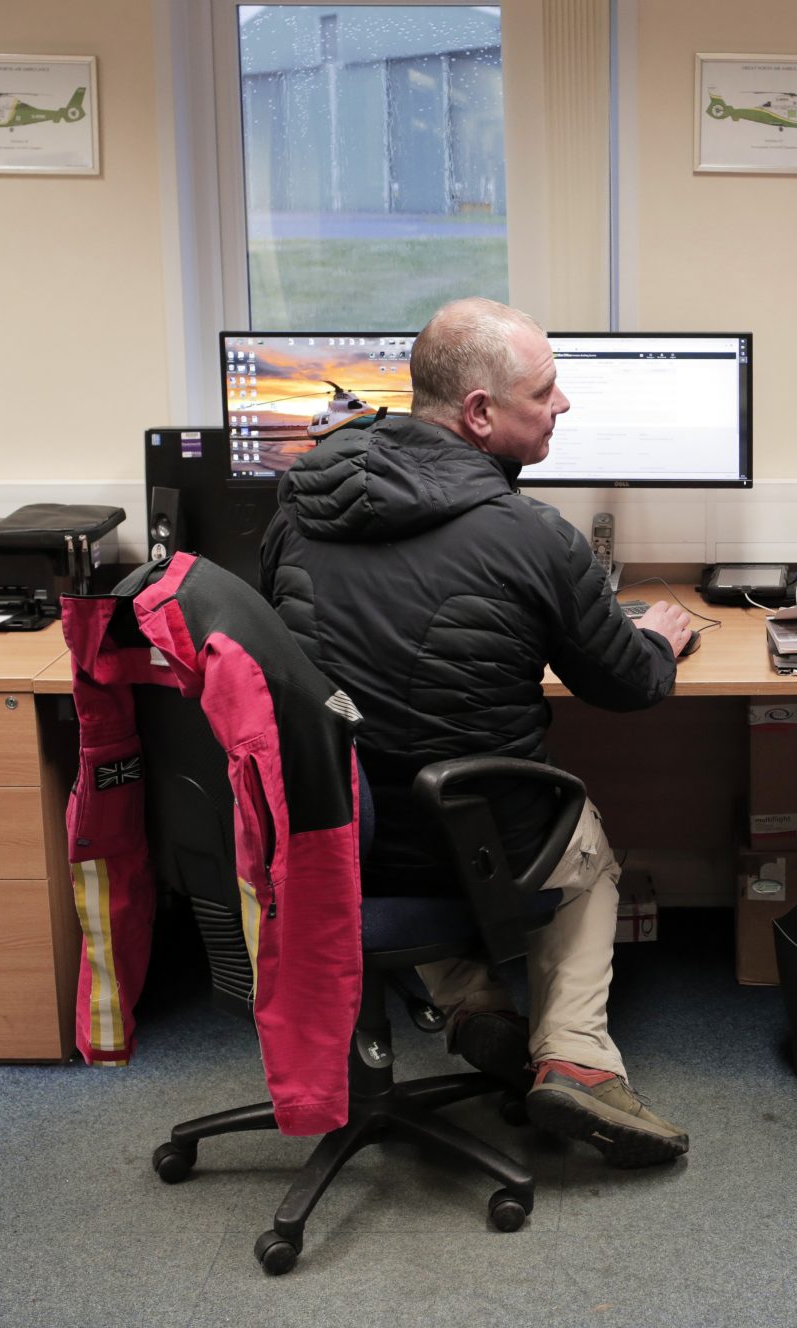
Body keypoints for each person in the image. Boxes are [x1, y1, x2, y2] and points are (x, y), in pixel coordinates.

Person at [259, 297, 696, 1168]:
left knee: (412, 795)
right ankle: (575, 1056)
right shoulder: (531, 537)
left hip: (334, 837)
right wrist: (659, 636)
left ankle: (474, 1004)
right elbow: (628, 686)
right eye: (546, 392)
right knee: (583, 836)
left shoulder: (298, 506)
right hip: (470, 842)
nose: (564, 406)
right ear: (481, 414)